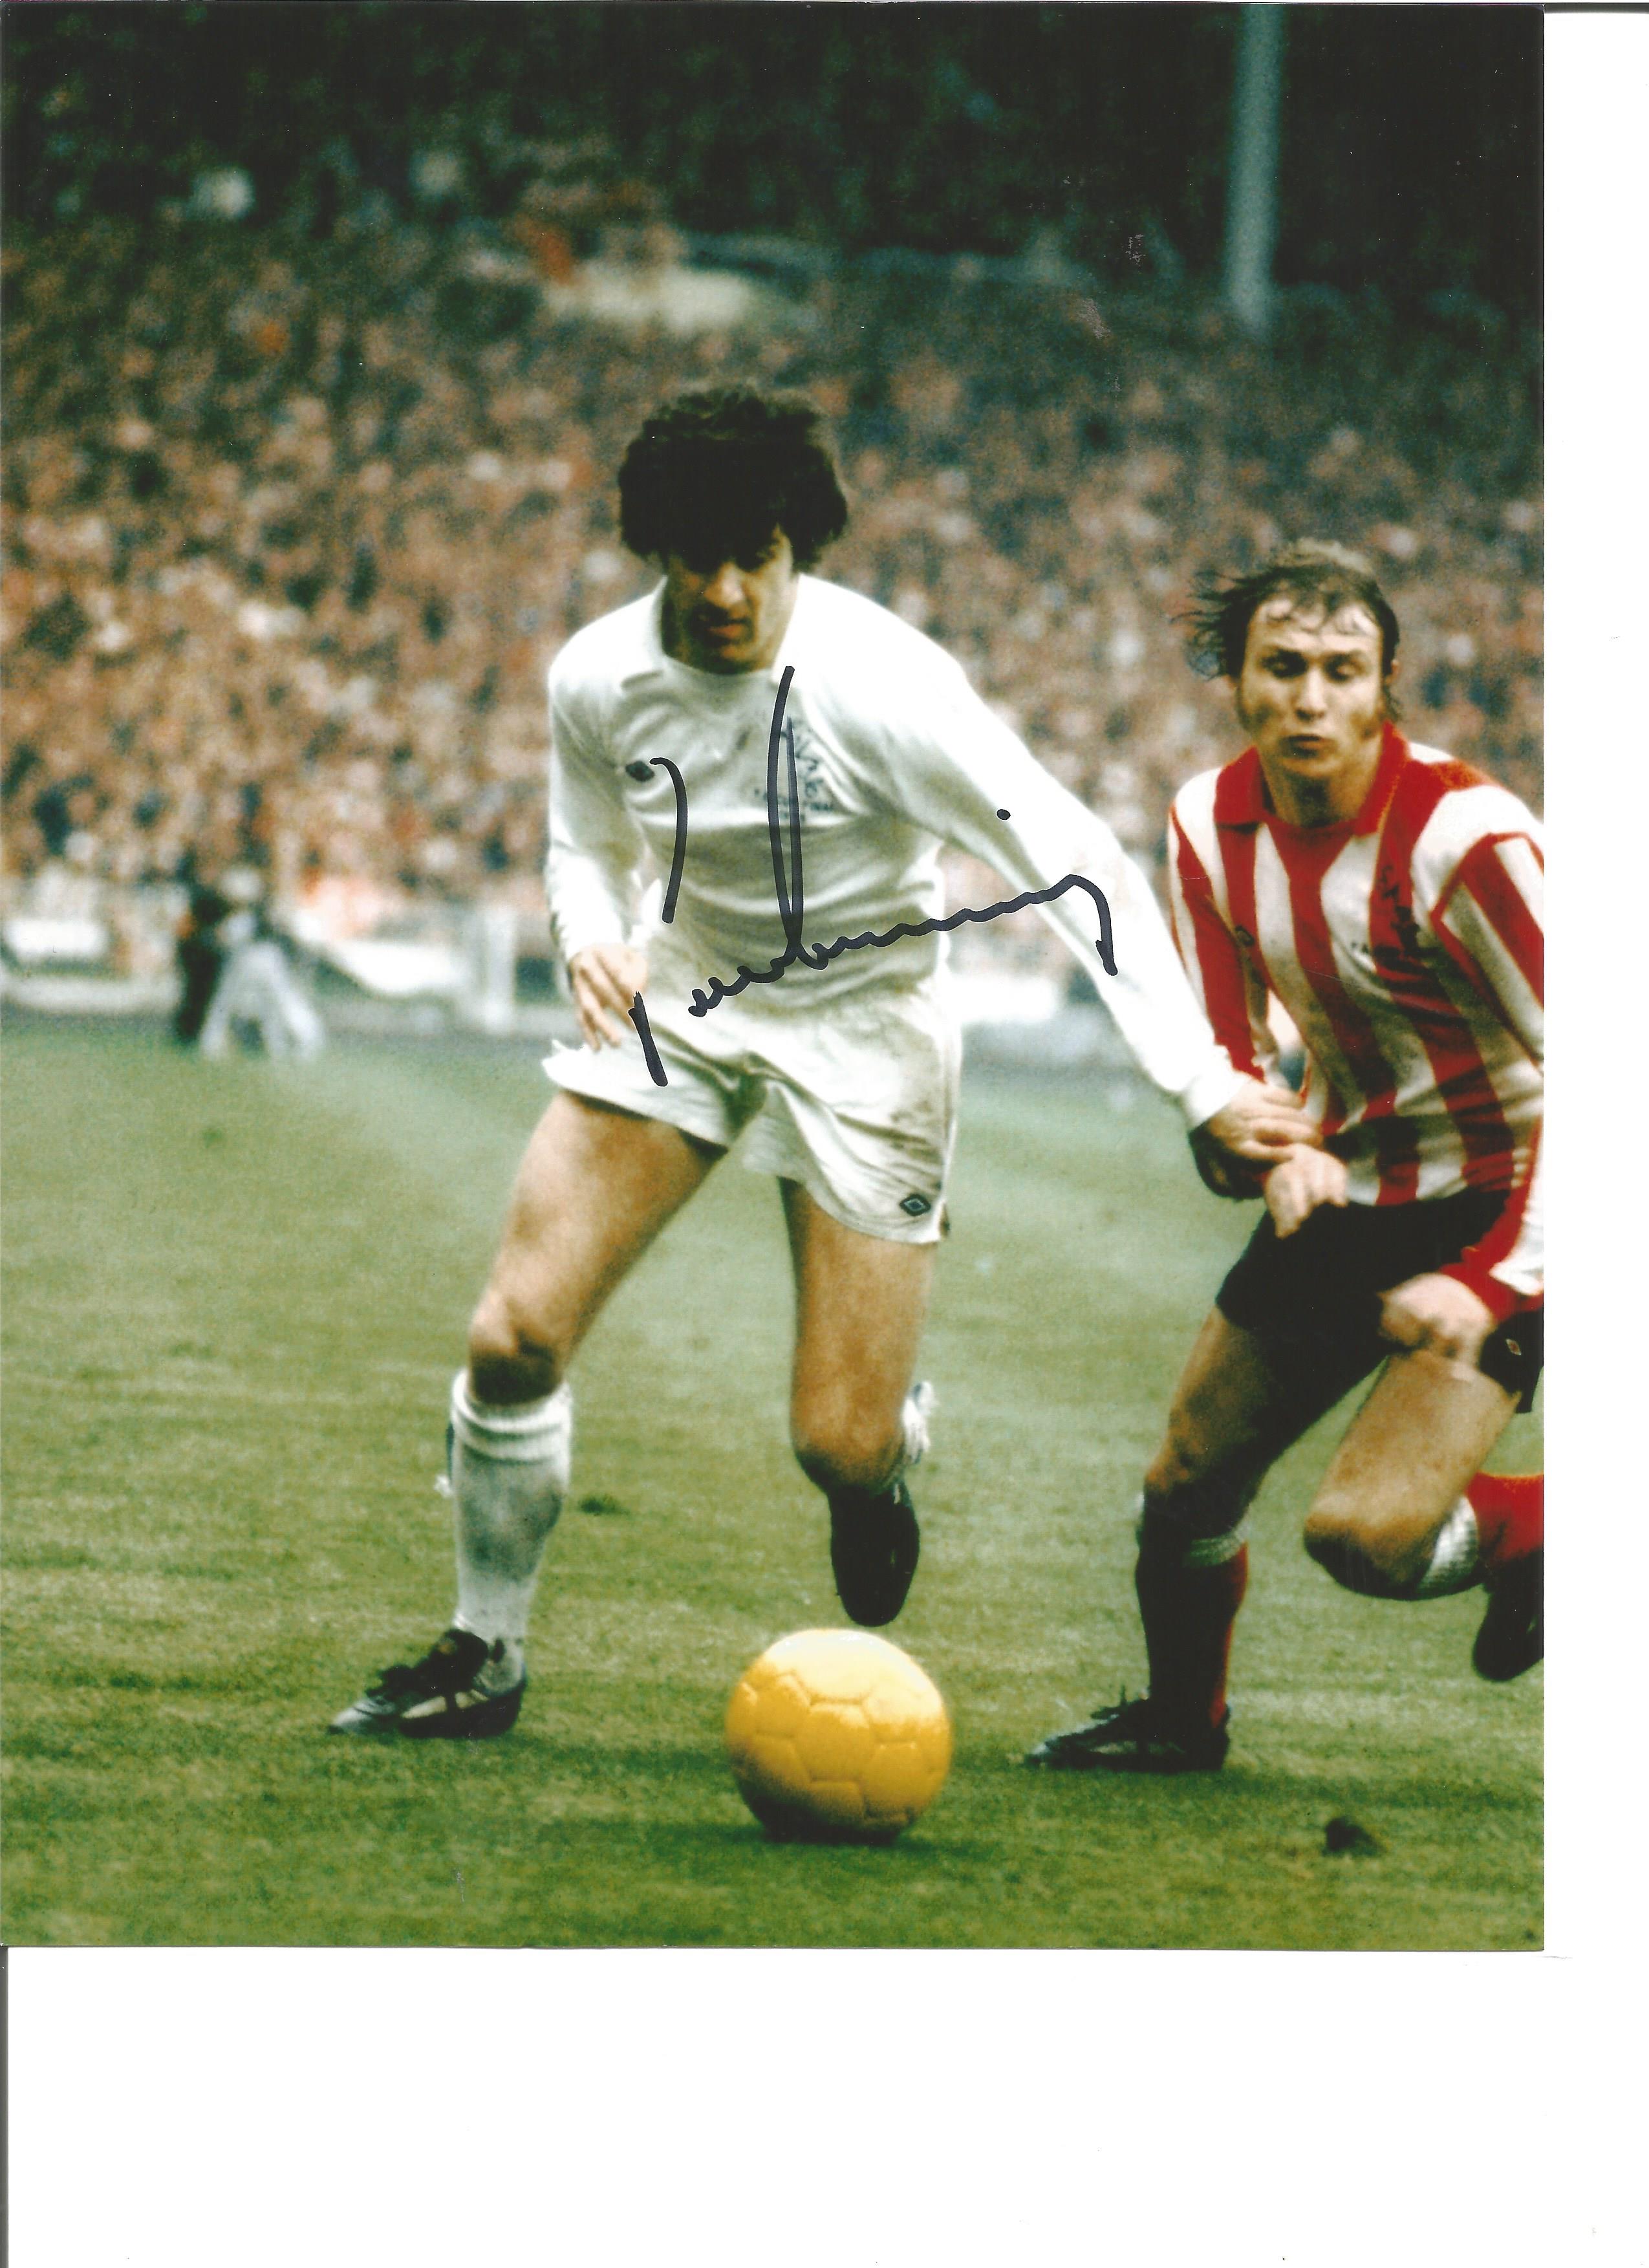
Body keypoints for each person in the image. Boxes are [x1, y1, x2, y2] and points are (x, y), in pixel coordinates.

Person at [329, 387, 1313, 1740]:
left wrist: (1196, 1081)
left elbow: (1073, 859)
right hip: (691, 1002)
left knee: (834, 1441)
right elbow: (581, 842)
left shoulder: (887, 686)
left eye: (763, 557)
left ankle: (882, 1461)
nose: (731, 589)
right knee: (513, 1331)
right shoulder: (599, 676)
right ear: (654, 550)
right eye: (699, 559)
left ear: (804, 545)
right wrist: (592, 934)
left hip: (870, 1034)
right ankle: (482, 1652)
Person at [1027, 541, 1543, 1774]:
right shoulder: (1208, 826)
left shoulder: (1464, 840)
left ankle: (1558, 1535)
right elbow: (1223, 1060)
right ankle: (1178, 1722)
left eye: (1340, 671)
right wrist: (1268, 1154)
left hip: (1512, 1202)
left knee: (1364, 1541)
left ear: (1385, 686)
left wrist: (1484, 1281)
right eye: (1282, 668)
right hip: (1356, 1189)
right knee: (1185, 1483)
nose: (1309, 697)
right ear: (1238, 682)